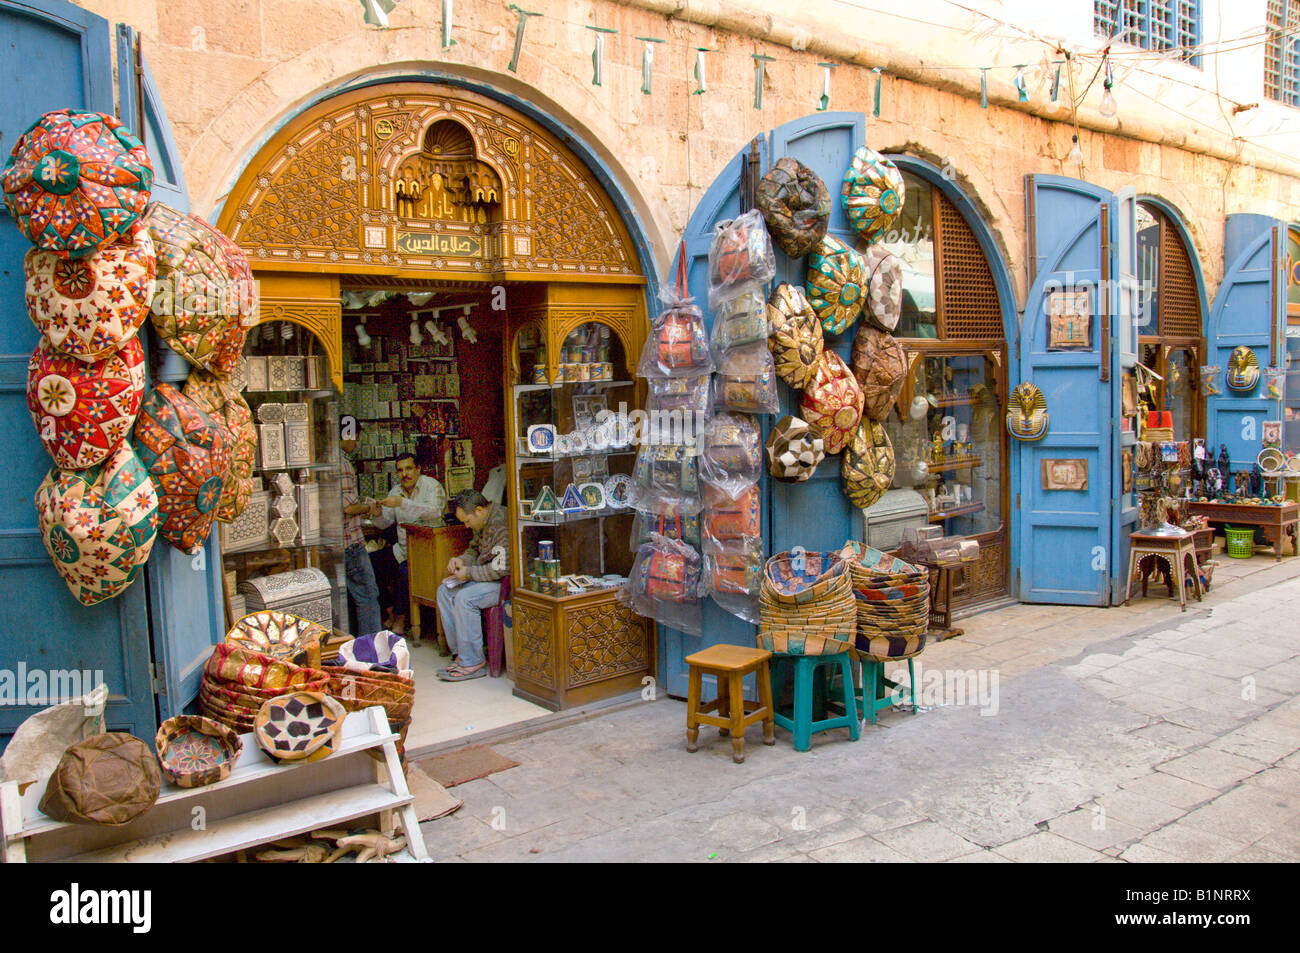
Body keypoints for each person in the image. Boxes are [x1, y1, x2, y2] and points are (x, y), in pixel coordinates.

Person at [435, 489, 508, 681]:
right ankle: (461, 653)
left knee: (465, 597)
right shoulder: (482, 521)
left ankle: (473, 662)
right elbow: (474, 549)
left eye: (467, 521)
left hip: (504, 584)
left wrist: (469, 573)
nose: (466, 526)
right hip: (484, 577)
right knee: (444, 591)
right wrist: (462, 560)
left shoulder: (501, 524)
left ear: (479, 510)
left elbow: (501, 569)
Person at [370, 452, 446, 635]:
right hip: (403, 549)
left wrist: (403, 503)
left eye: (409, 468)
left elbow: (434, 512)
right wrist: (377, 513)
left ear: (418, 469)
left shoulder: (431, 486)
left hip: (428, 551)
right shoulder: (395, 491)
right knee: (369, 564)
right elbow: (384, 523)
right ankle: (389, 609)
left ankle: (400, 617)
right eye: (400, 470)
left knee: (405, 571)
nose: (405, 474)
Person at [338, 416, 382, 638]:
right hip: (351, 542)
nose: (356, 443)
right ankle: (373, 647)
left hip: (337, 543)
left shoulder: (328, 461)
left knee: (349, 598)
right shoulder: (343, 463)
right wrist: (368, 507)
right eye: (355, 437)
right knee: (367, 595)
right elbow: (348, 507)